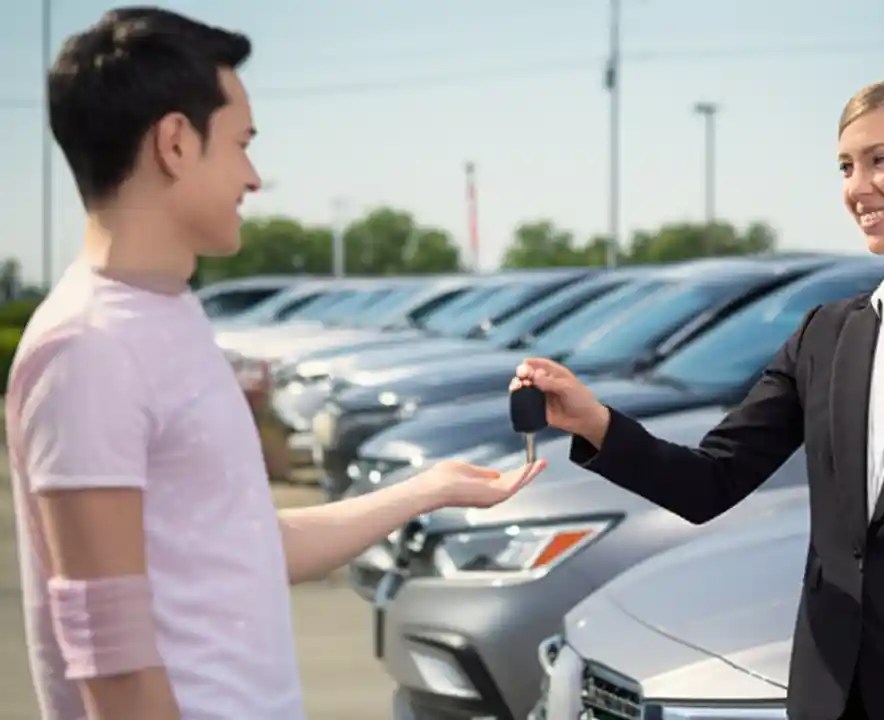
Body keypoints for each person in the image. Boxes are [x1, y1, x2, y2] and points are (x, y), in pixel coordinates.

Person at [6, 8, 544, 720]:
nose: (254, 177)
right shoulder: (87, 348)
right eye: (241, 144)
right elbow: (115, 669)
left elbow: (250, 546)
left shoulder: (168, 315)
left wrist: (428, 490)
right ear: (175, 142)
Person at [512, 76, 884, 719]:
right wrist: (596, 423)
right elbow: (711, 481)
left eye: (880, 159)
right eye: (846, 166)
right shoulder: (826, 335)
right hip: (826, 694)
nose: (858, 186)